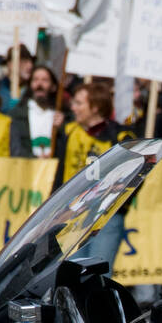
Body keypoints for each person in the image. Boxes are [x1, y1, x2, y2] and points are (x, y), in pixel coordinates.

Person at [58, 83, 132, 270]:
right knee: (70, 275)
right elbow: (59, 175)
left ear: (95, 107)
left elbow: (134, 174)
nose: (73, 108)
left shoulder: (120, 136)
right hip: (73, 217)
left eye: (79, 103)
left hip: (104, 217)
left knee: (97, 274)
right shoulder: (69, 131)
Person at [0, 44, 34, 111]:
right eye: (24, 61)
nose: (30, 66)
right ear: (10, 64)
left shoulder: (33, 89)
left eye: (31, 62)